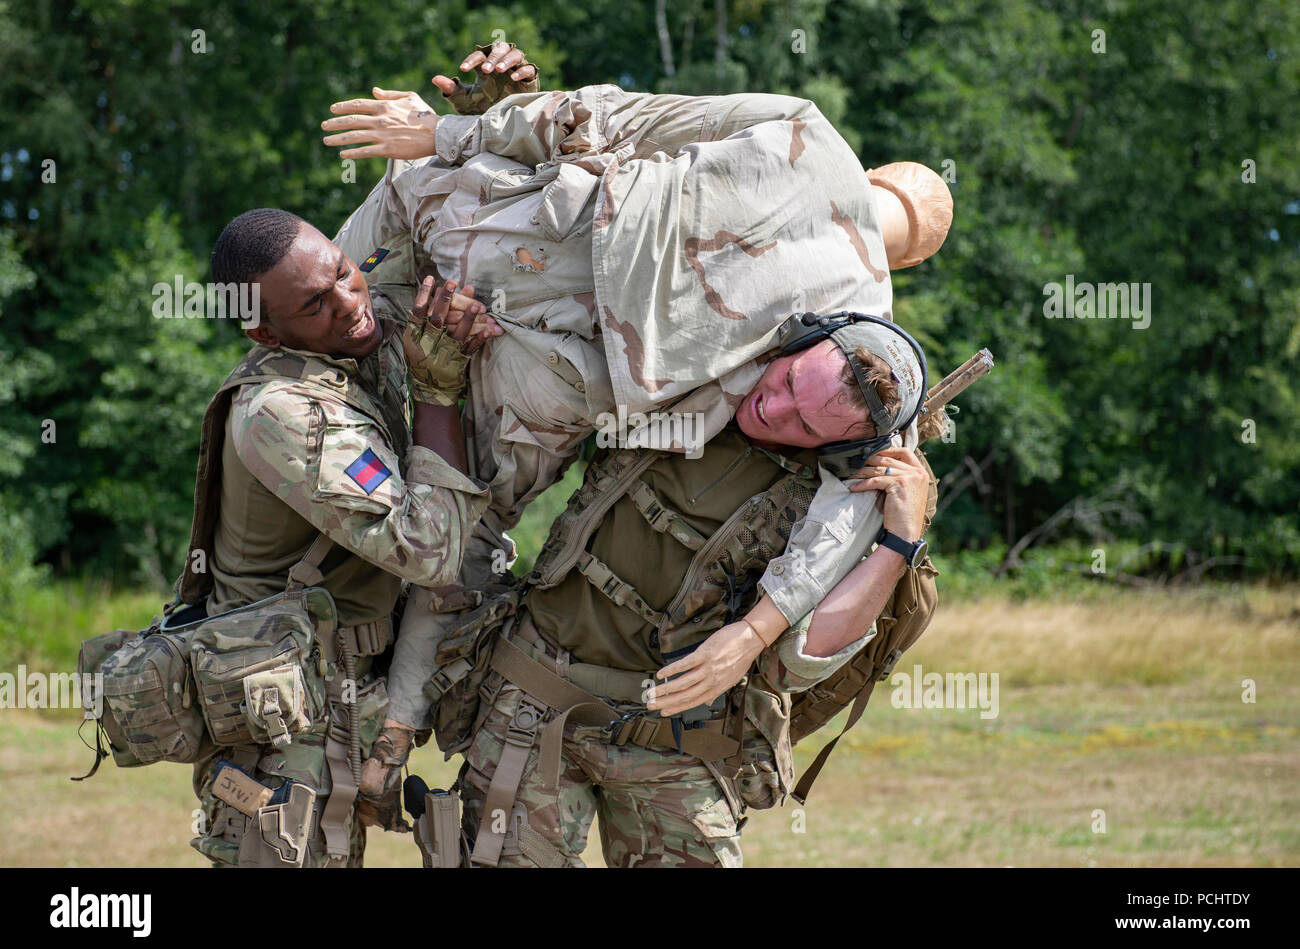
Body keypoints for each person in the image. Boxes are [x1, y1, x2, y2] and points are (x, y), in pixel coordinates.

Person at [316, 66, 953, 816]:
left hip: (537, 237)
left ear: (876, 176)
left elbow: (607, 115)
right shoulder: (864, 319)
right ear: (908, 261)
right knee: (465, 525)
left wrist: (450, 135)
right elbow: (846, 512)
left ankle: (284, 339)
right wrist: (758, 631)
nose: (777, 405)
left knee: (374, 237)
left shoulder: (804, 136)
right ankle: (389, 739)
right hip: (570, 367)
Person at [184, 207, 491, 867]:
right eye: (316, 304)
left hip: (342, 702)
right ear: (266, 330)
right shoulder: (281, 414)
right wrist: (439, 395)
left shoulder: (347, 336)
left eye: (346, 274)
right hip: (281, 737)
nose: (351, 305)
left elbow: (419, 208)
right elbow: (430, 550)